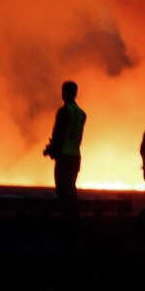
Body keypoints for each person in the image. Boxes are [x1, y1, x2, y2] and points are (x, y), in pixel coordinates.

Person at [43, 80, 86, 214]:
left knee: (62, 191)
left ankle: (67, 222)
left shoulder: (63, 111)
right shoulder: (81, 113)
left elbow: (58, 133)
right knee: (71, 189)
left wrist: (50, 150)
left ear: (64, 93)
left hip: (63, 157)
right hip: (75, 156)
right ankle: (73, 220)